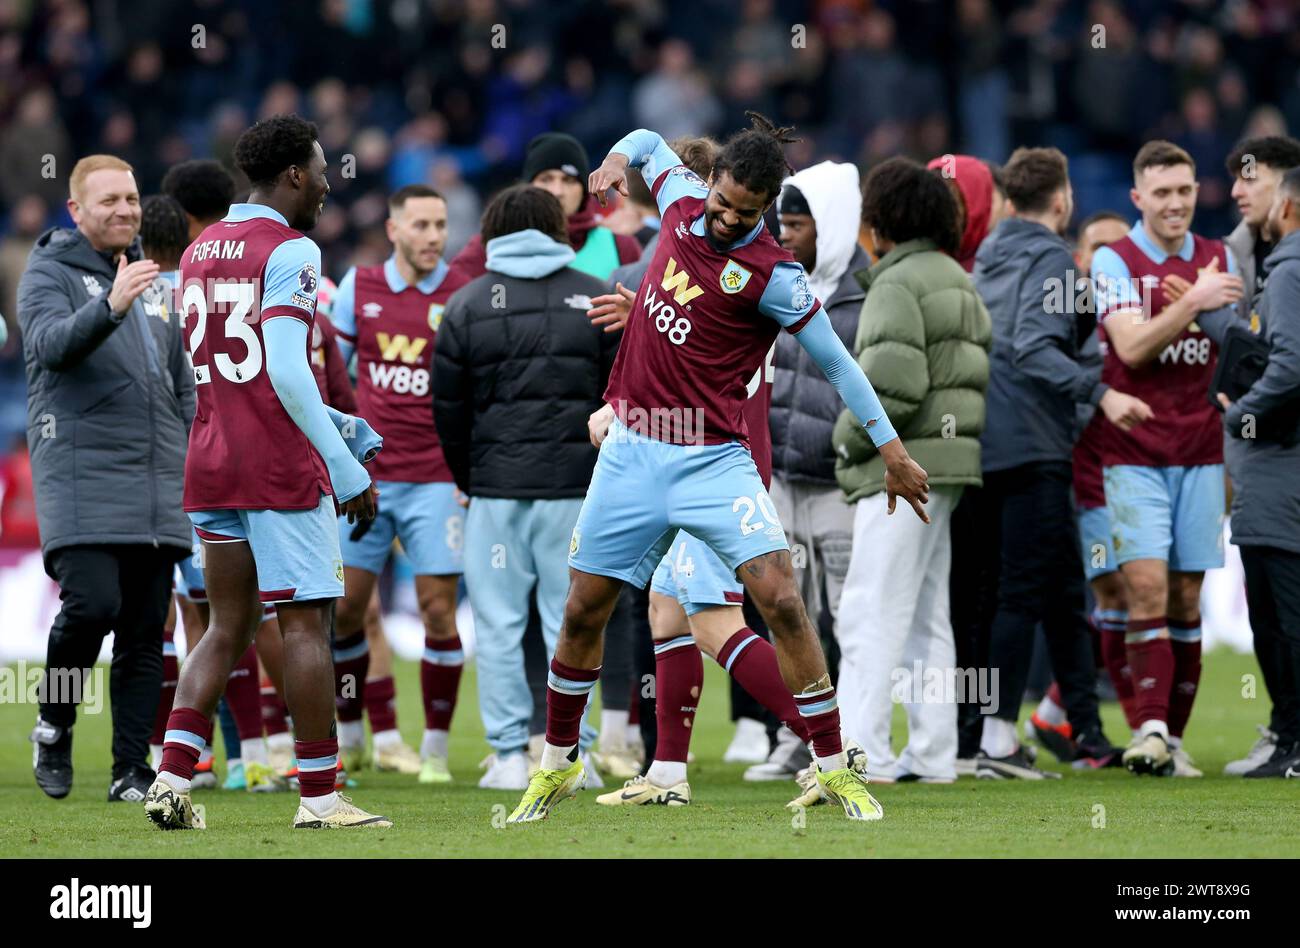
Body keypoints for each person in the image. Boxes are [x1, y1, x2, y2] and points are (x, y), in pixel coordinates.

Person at [506, 113, 929, 825]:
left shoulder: (774, 275)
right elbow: (645, 138)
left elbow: (838, 365)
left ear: (766, 208)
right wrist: (613, 161)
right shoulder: (677, 195)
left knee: (780, 598)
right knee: (585, 609)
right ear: (710, 185)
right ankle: (557, 766)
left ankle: (833, 764)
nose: (729, 219)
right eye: (723, 203)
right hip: (636, 449)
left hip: (714, 460)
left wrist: (893, 449)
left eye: (747, 212)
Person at [146, 114, 388, 830]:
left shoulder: (199, 251)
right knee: (306, 625)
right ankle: (320, 797)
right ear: (292, 176)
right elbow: (284, 369)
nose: (326, 184)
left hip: (213, 458)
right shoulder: (292, 249)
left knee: (225, 626)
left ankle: (170, 782)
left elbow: (232, 373)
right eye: (320, 170)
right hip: (278, 469)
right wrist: (346, 467)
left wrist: (342, 425)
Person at [448, 132, 643, 768]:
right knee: (576, 625)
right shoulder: (597, 297)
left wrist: (470, 477)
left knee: (500, 631)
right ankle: (573, 758)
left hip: (496, 494)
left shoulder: (466, 305)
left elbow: (446, 412)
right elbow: (621, 400)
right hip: (577, 493)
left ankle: (509, 757)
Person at [20, 155, 194, 803]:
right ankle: (55, 725)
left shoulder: (150, 279)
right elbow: (48, 348)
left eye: (131, 198)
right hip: (80, 471)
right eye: (109, 201)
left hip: (156, 479)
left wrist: (192, 448)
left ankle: (131, 769)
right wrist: (111, 307)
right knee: (92, 606)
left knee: (146, 630)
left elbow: (181, 383)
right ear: (77, 211)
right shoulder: (48, 272)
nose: (125, 210)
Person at [971, 149, 1141, 778]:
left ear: (1010, 202)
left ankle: (1088, 735)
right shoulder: (1054, 260)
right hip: (1035, 444)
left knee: (1063, 592)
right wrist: (1101, 394)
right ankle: (996, 742)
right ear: (1063, 200)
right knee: (1021, 594)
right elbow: (1036, 348)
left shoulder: (987, 258)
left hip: (987, 442)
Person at [832, 157, 990, 784]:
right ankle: (931, 754)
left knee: (869, 608)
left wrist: (845, 441)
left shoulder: (896, 283)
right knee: (925, 616)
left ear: (883, 218)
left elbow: (892, 386)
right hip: (948, 465)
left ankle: (856, 754)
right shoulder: (955, 275)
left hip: (902, 468)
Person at [1091, 140, 1244, 777]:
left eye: (1184, 191)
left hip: (1204, 450)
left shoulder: (1222, 256)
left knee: (1186, 596)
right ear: (1138, 199)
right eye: (1162, 193)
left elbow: (1243, 349)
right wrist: (1191, 303)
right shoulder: (1114, 258)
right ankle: (1148, 726)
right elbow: (1129, 348)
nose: (1176, 203)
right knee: (1144, 586)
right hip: (1133, 453)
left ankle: (1171, 742)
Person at [330, 184, 467, 784]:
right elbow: (332, 379)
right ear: (393, 230)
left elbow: (474, 389)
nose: (434, 236)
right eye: (421, 225)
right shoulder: (358, 289)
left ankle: (435, 750)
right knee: (343, 611)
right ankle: (356, 735)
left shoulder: (461, 295)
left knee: (439, 610)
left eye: (440, 224)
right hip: (368, 479)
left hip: (436, 478)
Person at [1041, 211, 1143, 758]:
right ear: (1080, 259)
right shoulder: (1070, 321)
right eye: (1098, 249)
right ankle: (1143, 730)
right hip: (1087, 479)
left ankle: (1054, 711)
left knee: (1140, 595)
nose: (1108, 260)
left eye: (1119, 250)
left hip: (1142, 473)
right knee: (1114, 591)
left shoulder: (1140, 319)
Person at [1217, 135, 1300, 775]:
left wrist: (1241, 413)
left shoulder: (1288, 266)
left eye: (1253, 177)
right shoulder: (1251, 261)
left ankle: (1290, 736)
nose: (1241, 190)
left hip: (1277, 455)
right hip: (1263, 458)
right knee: (1271, 607)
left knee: (1281, 607)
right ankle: (1285, 734)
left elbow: (1291, 364)